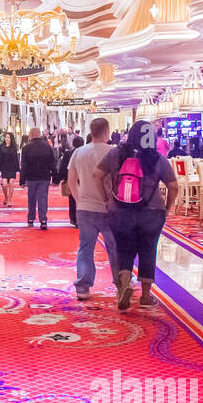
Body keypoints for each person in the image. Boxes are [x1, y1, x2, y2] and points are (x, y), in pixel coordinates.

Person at [98, 120, 178, 312]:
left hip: (120, 210)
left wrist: (106, 198)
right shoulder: (157, 158)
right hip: (152, 212)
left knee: (124, 249)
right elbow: (173, 186)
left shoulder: (116, 154)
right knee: (148, 250)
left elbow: (96, 174)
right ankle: (145, 296)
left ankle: (125, 284)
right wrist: (168, 207)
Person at [69, 118, 120, 301]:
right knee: (115, 247)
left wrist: (79, 199)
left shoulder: (79, 152)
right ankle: (120, 283)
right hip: (109, 208)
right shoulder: (113, 152)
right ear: (107, 132)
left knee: (85, 248)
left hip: (85, 207)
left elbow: (71, 180)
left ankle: (83, 287)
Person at [19, 127, 56, 230]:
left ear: (30, 135)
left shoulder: (26, 148)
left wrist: (22, 180)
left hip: (31, 177)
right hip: (44, 176)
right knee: (43, 198)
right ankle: (43, 220)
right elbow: (53, 163)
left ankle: (31, 219)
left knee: (31, 198)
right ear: (39, 135)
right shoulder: (47, 147)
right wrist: (55, 177)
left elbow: (24, 165)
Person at [0, 131, 19, 205]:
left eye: (8, 137)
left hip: (12, 168)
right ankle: (6, 196)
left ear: (11, 138)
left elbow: (16, 158)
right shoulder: (1, 147)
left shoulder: (14, 147)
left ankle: (9, 200)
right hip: (4, 167)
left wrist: (18, 169)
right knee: (4, 184)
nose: (6, 139)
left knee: (11, 183)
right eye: (6, 137)